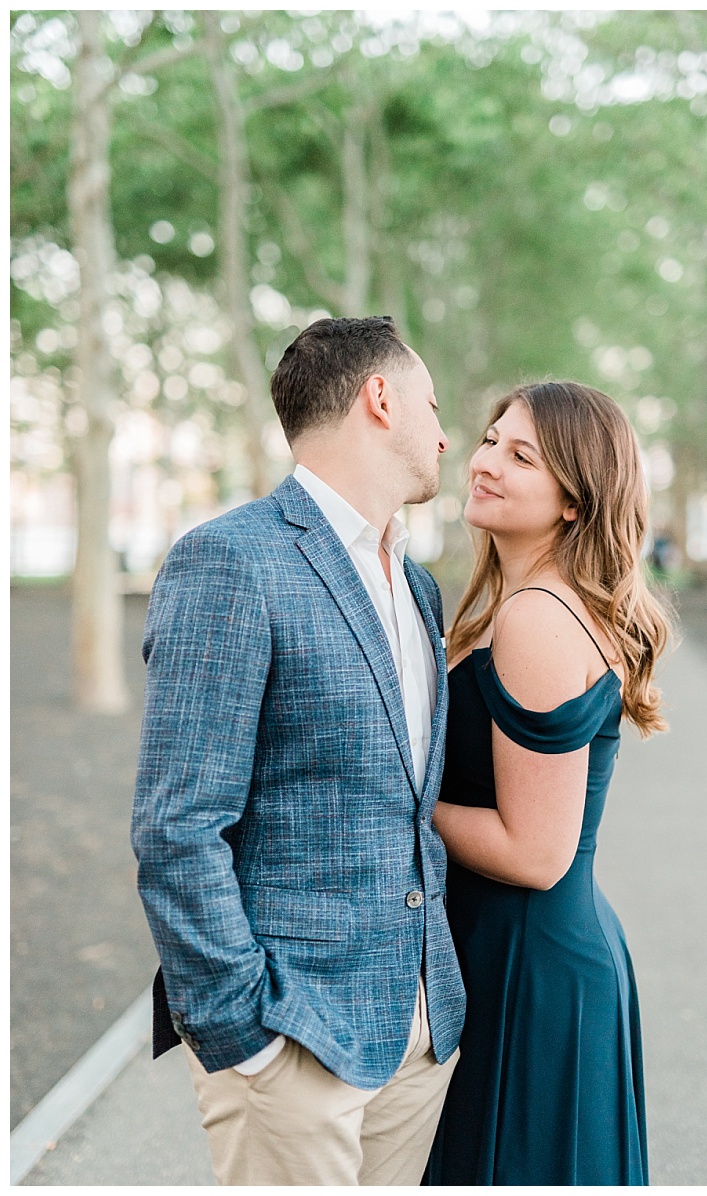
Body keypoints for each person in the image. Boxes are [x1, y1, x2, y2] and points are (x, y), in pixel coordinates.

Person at [131, 316, 465, 1184]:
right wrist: (240, 1036)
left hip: (419, 1032)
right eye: (433, 405)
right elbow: (177, 826)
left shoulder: (418, 586)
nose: (445, 433)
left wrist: (433, 1014)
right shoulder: (229, 561)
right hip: (291, 1039)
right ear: (380, 398)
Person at [424, 381, 673, 1185]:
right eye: (492, 440)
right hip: (511, 948)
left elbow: (535, 853)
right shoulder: (513, 601)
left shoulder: (536, 615)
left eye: (521, 455)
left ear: (574, 503)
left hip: (527, 963)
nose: (486, 462)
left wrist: (398, 801)